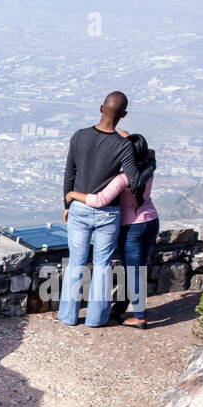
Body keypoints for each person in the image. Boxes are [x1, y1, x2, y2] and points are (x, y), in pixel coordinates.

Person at [59, 92, 146, 327]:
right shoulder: (123, 145)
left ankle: (68, 316)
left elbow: (70, 172)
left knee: (76, 262)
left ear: (101, 108)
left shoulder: (79, 136)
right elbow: (136, 180)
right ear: (124, 115)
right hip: (108, 212)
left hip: (79, 207)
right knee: (102, 265)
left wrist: (68, 204)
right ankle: (96, 319)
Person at [65, 132, 159, 328]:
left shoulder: (123, 179)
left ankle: (140, 316)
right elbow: (151, 152)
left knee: (133, 271)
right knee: (136, 268)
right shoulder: (150, 168)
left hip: (132, 226)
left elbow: (100, 200)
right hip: (151, 221)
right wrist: (127, 138)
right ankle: (120, 307)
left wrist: (73, 194)